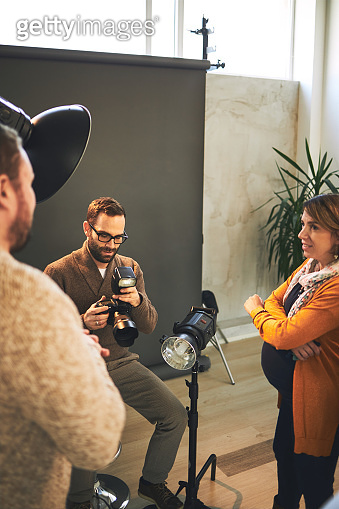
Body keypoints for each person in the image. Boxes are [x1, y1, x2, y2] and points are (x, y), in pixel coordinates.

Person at [0, 124, 126, 509]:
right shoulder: (27, 295)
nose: (34, 198)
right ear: (5, 191)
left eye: (117, 237)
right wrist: (83, 351)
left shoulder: (128, 267)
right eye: (30, 184)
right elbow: (97, 442)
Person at [44, 196, 187, 509]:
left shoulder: (129, 267)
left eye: (119, 237)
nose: (111, 244)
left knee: (175, 415)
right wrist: (81, 321)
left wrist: (136, 301)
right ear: (87, 228)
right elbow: (40, 337)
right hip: (77, 370)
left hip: (121, 364)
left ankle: (152, 483)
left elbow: (148, 326)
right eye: (104, 235)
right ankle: (80, 502)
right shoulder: (59, 272)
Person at [244, 194, 339, 509]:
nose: (302, 235)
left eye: (314, 227)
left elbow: (270, 314)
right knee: (284, 460)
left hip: (316, 403)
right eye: (303, 225)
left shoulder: (335, 286)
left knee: (314, 483)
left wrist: (256, 312)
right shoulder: (312, 267)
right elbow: (275, 298)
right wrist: (290, 335)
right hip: (292, 393)